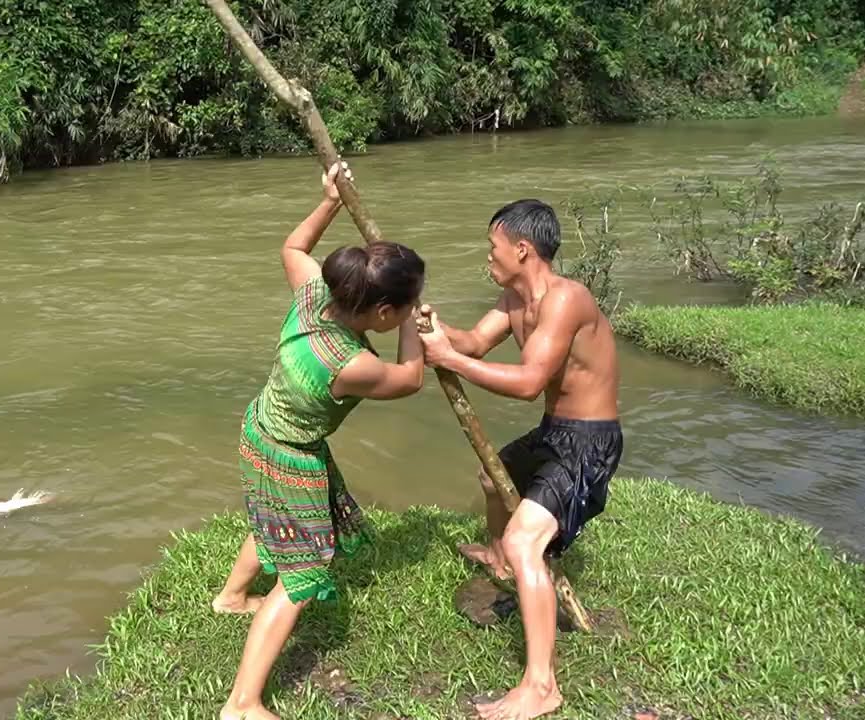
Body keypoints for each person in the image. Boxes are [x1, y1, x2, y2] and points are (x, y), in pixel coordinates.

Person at [215, 161, 428, 720]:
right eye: (400, 309)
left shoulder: (312, 296)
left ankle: (232, 597)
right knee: (302, 576)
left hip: (260, 431)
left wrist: (330, 201)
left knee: (271, 520)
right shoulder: (349, 363)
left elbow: (293, 246)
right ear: (382, 311)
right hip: (289, 455)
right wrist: (416, 327)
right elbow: (409, 379)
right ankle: (242, 703)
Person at [418, 199, 623, 720]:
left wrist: (450, 361)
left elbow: (530, 382)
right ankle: (500, 560)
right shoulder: (513, 298)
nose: (488, 256)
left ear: (522, 248)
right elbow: (476, 343)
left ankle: (542, 685)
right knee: (493, 478)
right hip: (556, 431)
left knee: (525, 536)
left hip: (589, 441)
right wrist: (440, 335)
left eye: (493, 246)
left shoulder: (565, 300)